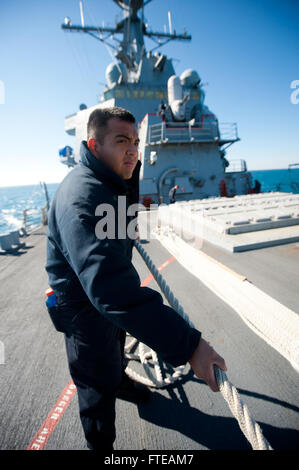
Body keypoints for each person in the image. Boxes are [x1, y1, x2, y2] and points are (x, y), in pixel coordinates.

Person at [45, 107, 227, 451]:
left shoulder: (106, 179)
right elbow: (111, 290)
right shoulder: (84, 196)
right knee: (95, 384)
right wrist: (190, 346)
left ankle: (121, 383)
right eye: (120, 140)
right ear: (94, 145)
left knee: (114, 347)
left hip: (103, 301)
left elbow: (116, 218)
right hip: (84, 308)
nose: (132, 150)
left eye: (135, 142)